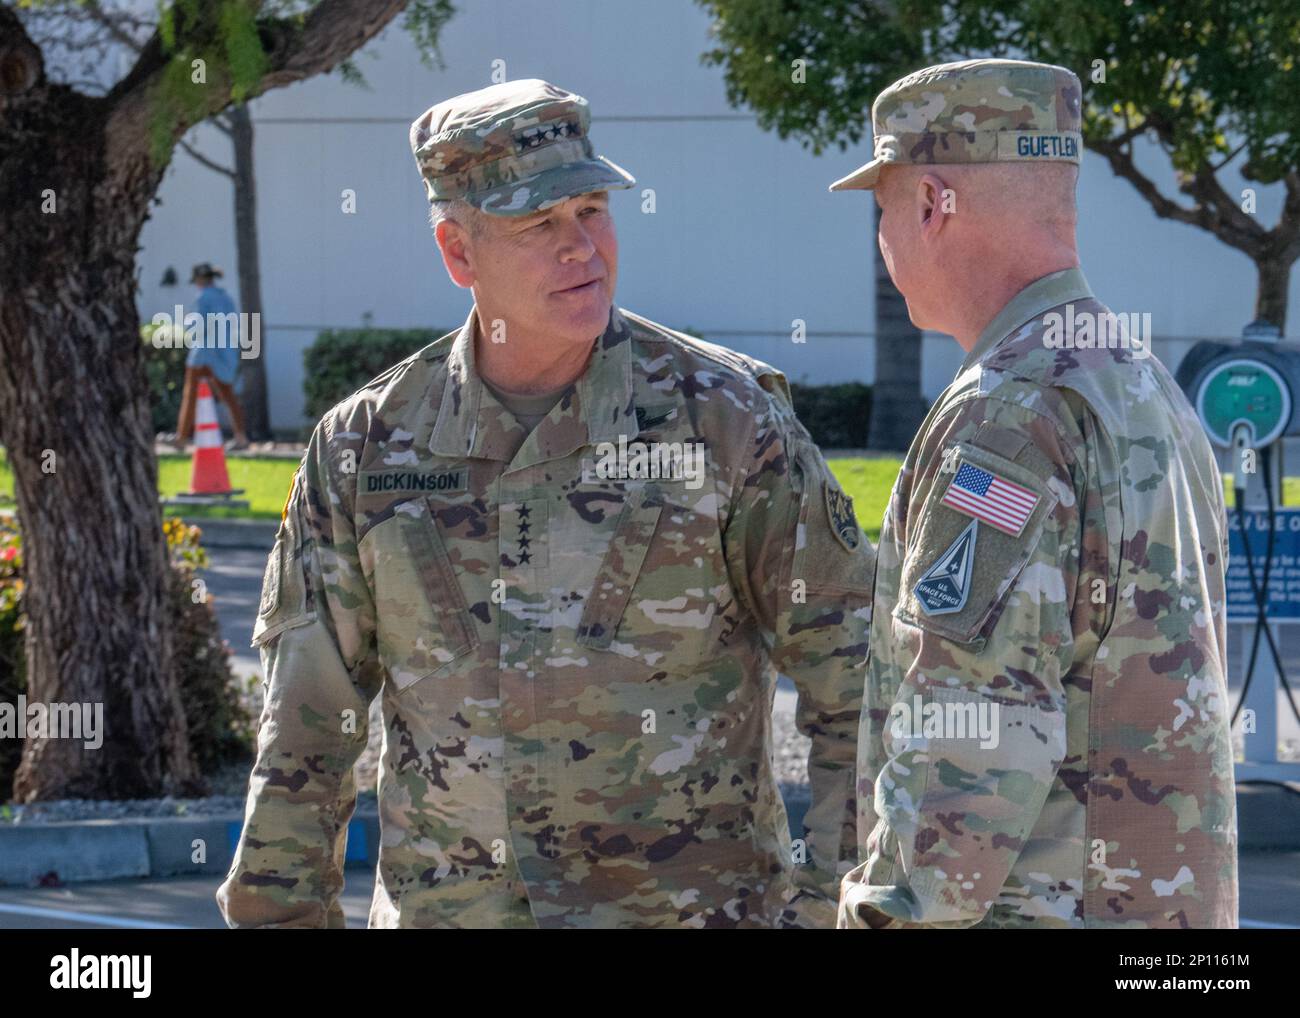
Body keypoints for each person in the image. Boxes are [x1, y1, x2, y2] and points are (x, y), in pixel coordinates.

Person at [216, 79, 875, 929]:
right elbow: (308, 725)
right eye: (539, 225)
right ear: (459, 253)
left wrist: (828, 909)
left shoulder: (727, 422)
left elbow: (855, 681)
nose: (583, 249)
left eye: (593, 210)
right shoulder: (365, 448)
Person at [828, 58, 1237, 928]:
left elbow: (964, 775)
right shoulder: (1140, 383)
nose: (885, 238)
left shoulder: (1005, 420)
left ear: (933, 203)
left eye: (884, 207)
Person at [174, 263, 249, 451]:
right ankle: (241, 437)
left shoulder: (203, 298)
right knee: (228, 396)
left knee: (190, 394)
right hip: (225, 354)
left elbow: (197, 327)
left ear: (200, 279)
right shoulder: (227, 298)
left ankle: (181, 437)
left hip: (203, 354)